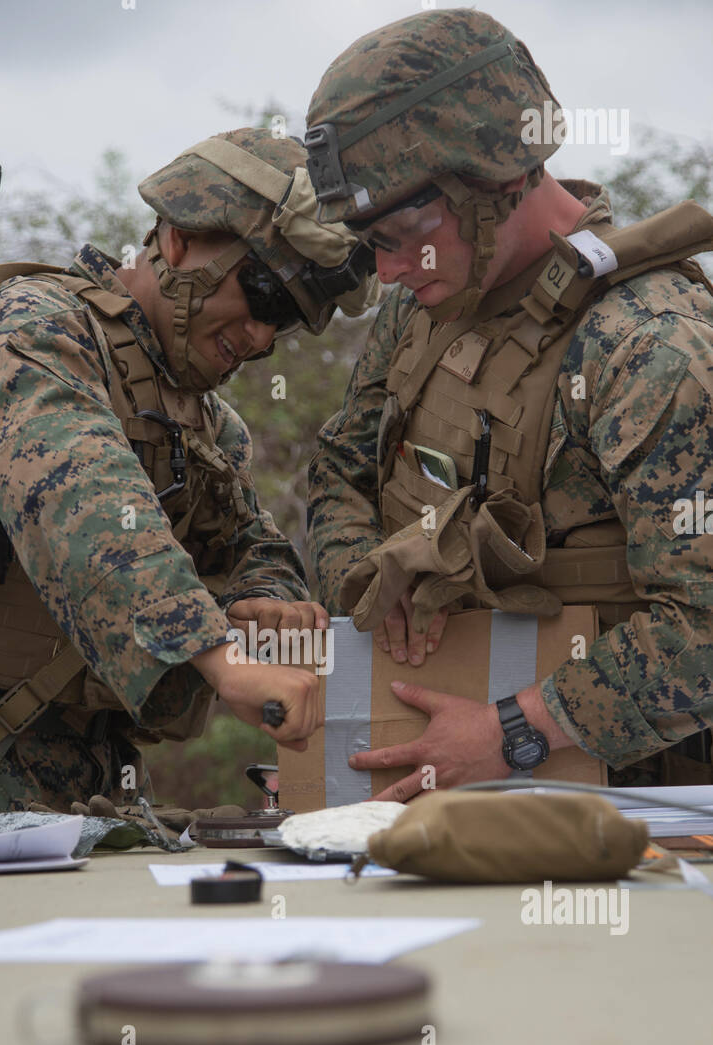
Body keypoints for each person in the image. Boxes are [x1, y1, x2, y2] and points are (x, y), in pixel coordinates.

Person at [0, 128, 377, 814]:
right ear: (180, 239)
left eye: (290, 322)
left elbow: (258, 546)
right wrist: (219, 656)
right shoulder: (38, 327)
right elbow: (83, 495)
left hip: (90, 774)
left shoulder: (210, 426)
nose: (262, 338)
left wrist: (263, 597)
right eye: (266, 297)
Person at [303, 8, 713, 799]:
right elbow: (340, 468)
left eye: (403, 229)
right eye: (370, 240)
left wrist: (515, 732)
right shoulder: (424, 308)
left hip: (628, 809)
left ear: (497, 181)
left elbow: (705, 625)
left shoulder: (651, 348)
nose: (387, 270)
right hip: (438, 783)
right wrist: (368, 579)